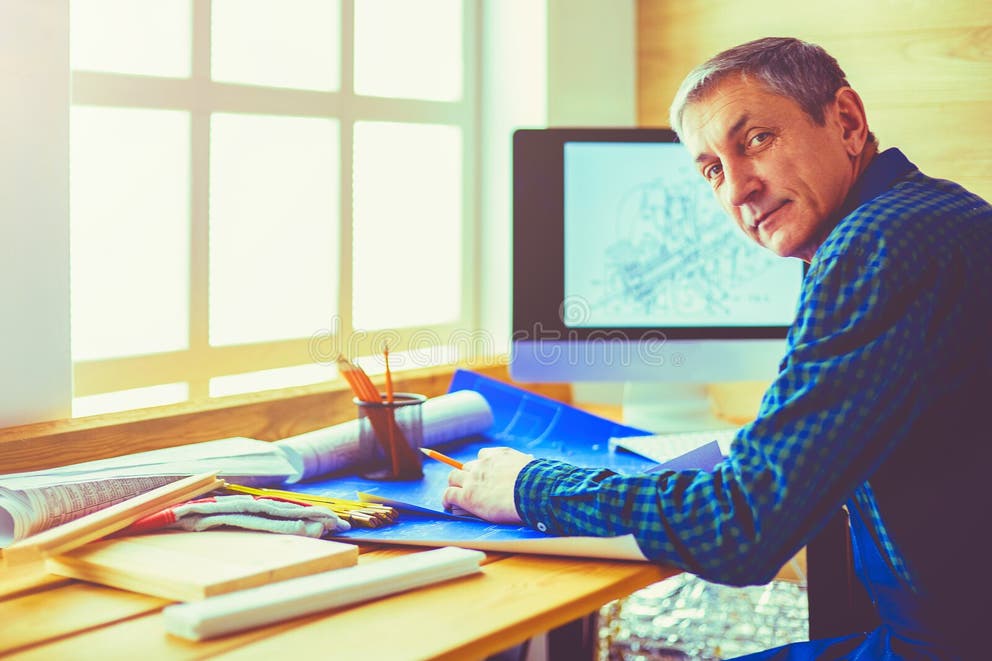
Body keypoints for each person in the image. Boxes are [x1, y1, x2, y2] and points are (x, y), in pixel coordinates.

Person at [443, 37, 992, 659]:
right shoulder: (936, 213)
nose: (736, 191)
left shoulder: (876, 246)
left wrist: (530, 486)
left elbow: (742, 527)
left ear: (846, 122)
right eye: (712, 170)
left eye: (756, 139)